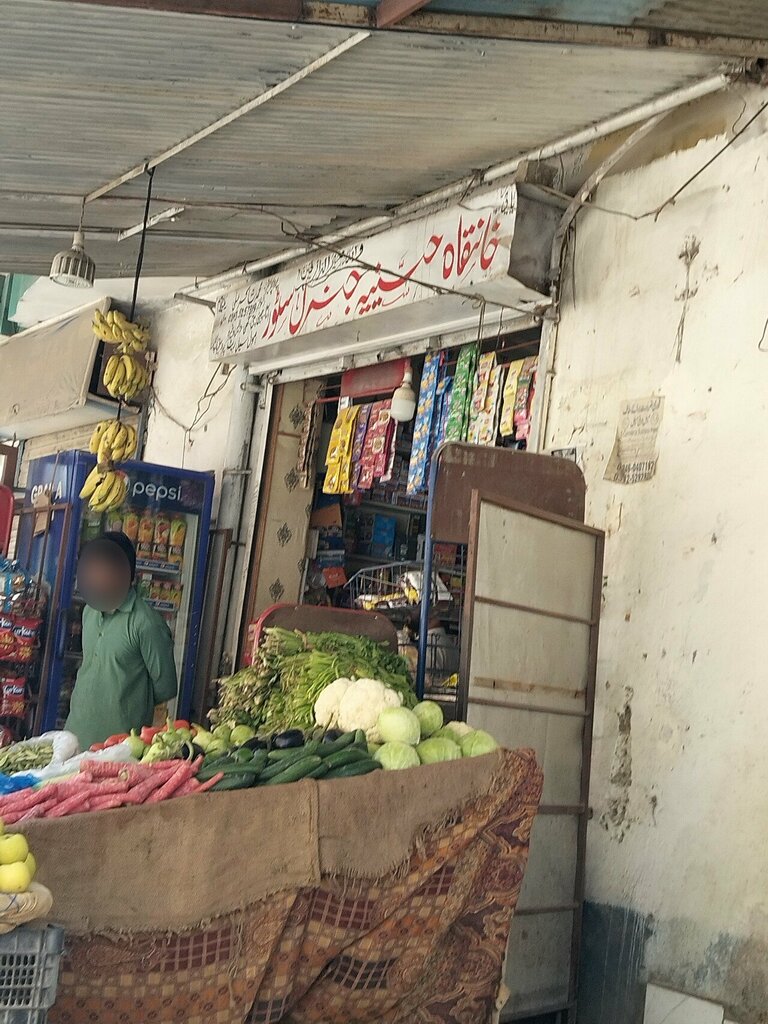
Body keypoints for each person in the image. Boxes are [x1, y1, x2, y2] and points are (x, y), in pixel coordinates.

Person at [65, 531, 178, 750]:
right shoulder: (90, 611)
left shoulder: (146, 623)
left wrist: (128, 699)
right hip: (74, 736)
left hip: (118, 747)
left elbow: (166, 687)